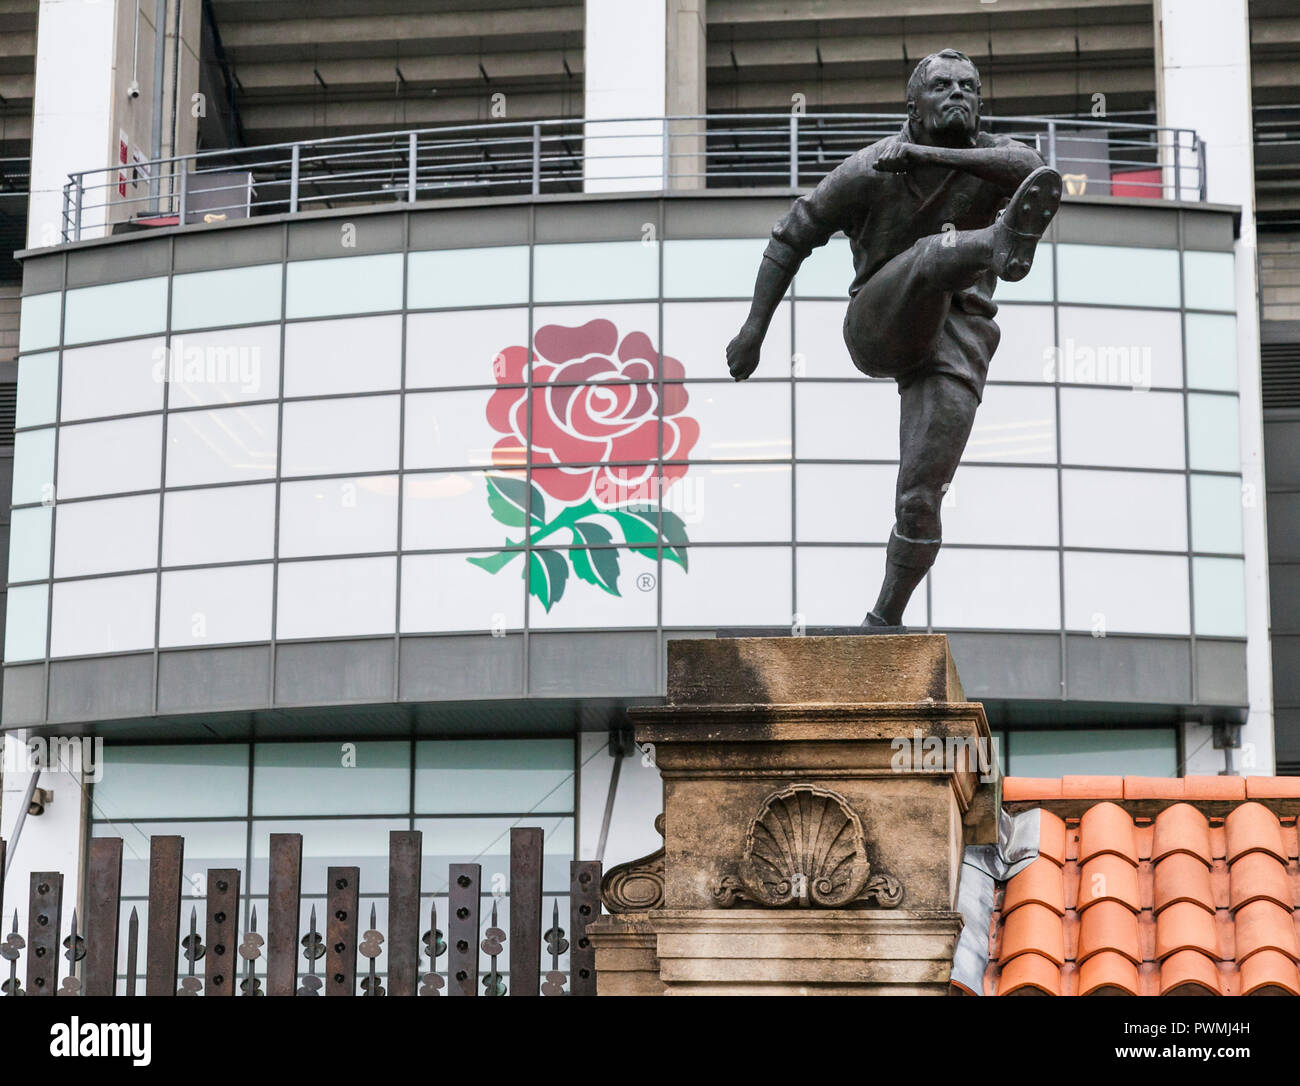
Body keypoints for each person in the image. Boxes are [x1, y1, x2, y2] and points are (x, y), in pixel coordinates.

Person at [726, 48, 1062, 627]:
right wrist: (754, 330)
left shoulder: (990, 155)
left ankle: (884, 619)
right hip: (882, 321)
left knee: (920, 497)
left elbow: (1034, 169)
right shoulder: (869, 168)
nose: (957, 94)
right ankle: (999, 242)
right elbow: (790, 238)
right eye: (941, 87)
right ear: (913, 104)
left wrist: (926, 153)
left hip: (958, 337)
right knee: (932, 255)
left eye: (968, 87)